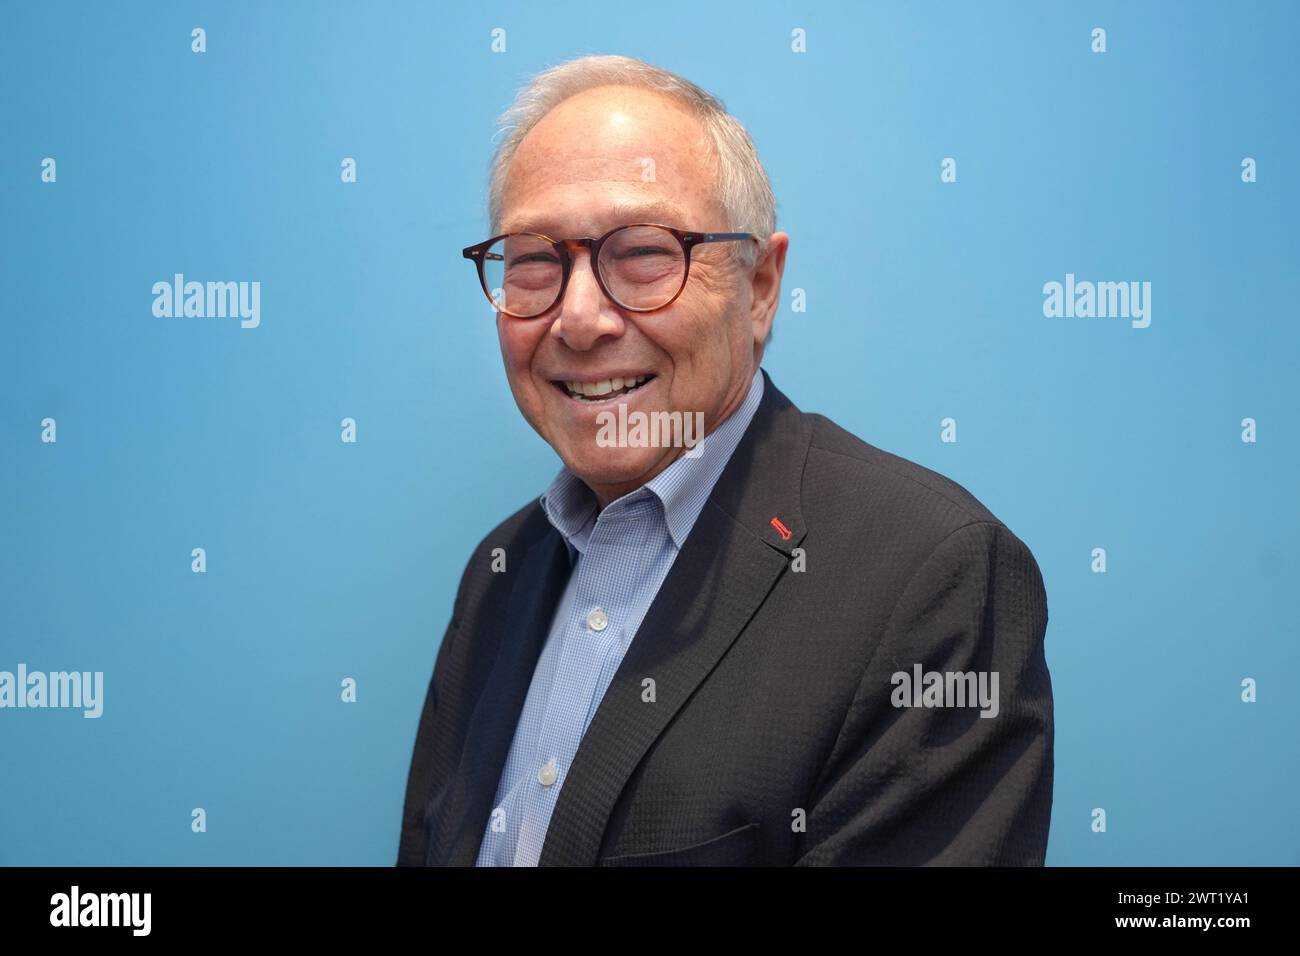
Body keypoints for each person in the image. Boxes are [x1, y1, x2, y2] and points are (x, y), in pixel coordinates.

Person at [398, 54, 1053, 866]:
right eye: (535, 259)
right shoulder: (500, 571)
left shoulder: (932, 575)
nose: (579, 318)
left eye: (642, 252)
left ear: (762, 284)